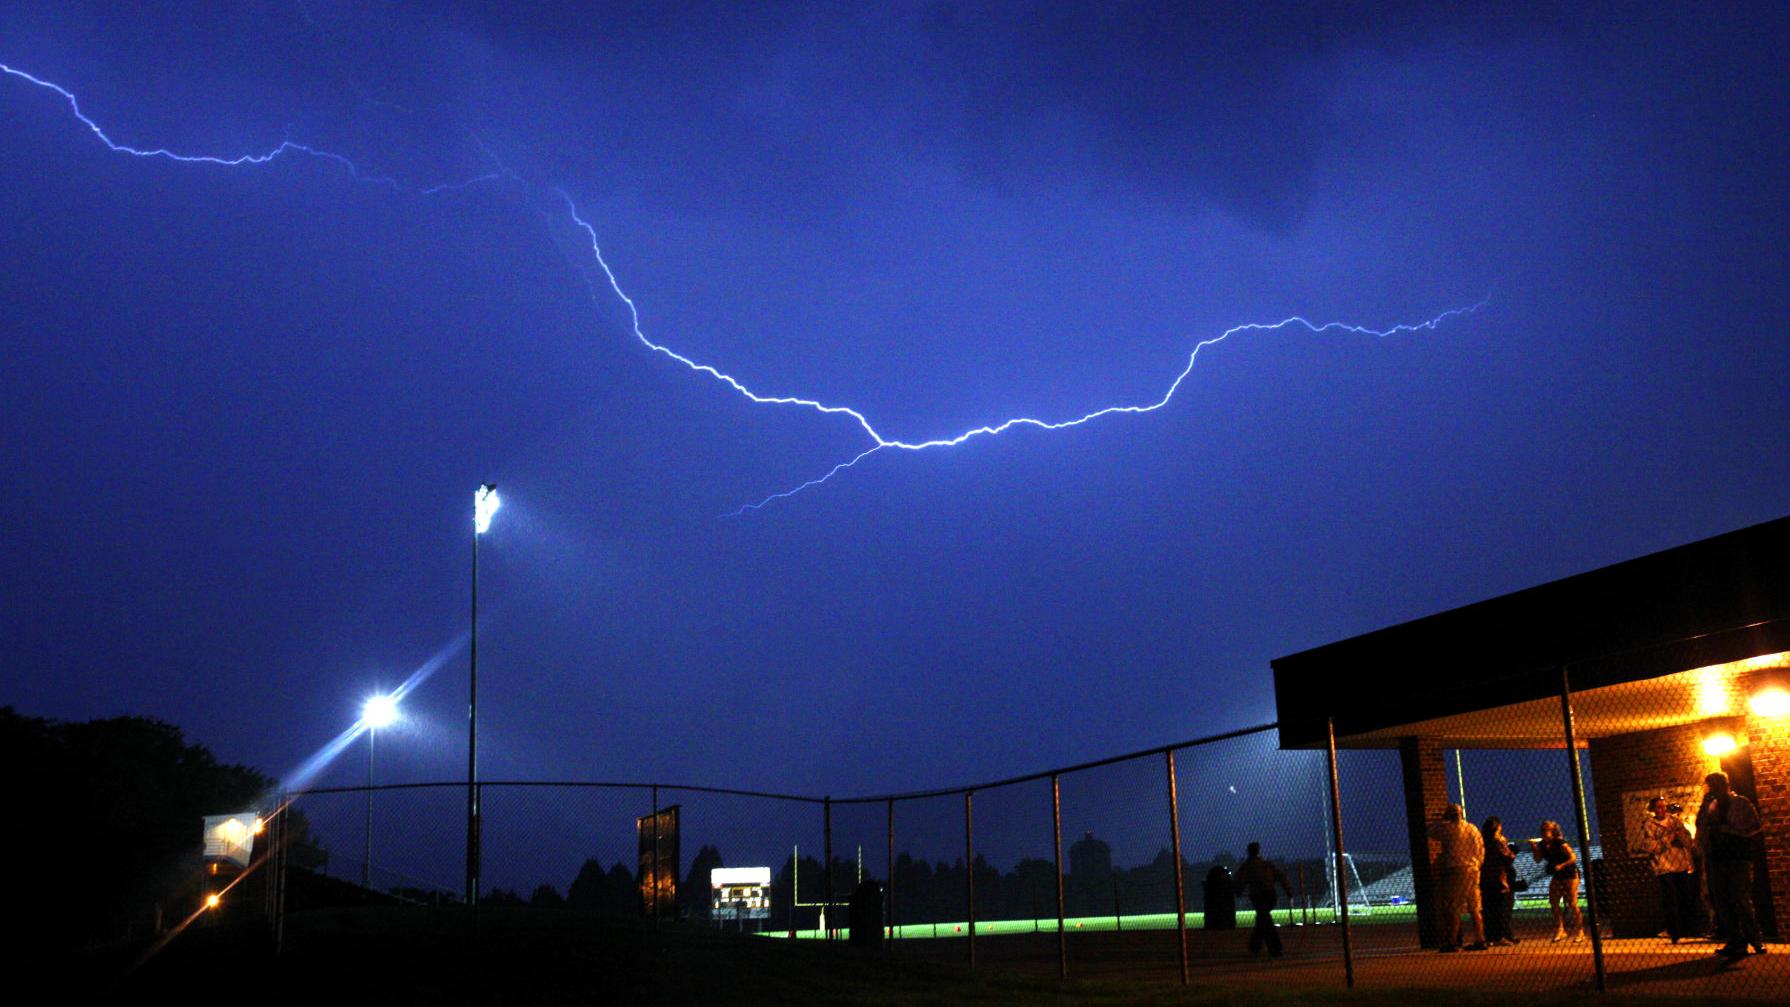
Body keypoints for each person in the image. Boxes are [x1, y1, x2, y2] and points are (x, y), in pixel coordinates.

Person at [1696, 771, 1766, 959]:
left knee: (1741, 900)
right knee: (1723, 902)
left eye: (1714, 786)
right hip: (1717, 859)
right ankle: (1736, 941)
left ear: (1725, 785)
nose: (1712, 790)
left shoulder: (1740, 803)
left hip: (1737, 857)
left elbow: (1755, 826)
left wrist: (1731, 830)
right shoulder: (1711, 805)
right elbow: (1701, 826)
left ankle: (1756, 940)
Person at [1638, 796, 1698, 943]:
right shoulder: (1649, 825)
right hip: (1664, 866)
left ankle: (1688, 929)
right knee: (1670, 900)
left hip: (1680, 864)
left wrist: (1681, 837)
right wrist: (1667, 839)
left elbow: (1687, 840)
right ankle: (1674, 931)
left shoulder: (1675, 821)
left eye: (1664, 806)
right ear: (1652, 810)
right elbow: (1650, 847)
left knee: (1685, 897)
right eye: (1658, 807)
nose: (1662, 809)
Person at [1427, 804, 1486, 951]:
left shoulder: (1448, 828)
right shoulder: (1473, 828)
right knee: (1475, 907)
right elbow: (1481, 850)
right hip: (1474, 868)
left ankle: (1452, 942)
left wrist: (1441, 819)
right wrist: (1477, 864)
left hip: (1458, 869)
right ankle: (1480, 939)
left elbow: (1430, 832)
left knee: (1455, 907)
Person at [1237, 841, 1292, 957]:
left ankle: (1271, 947)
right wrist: (1288, 891)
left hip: (1258, 896)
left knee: (1264, 919)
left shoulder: (1248, 865)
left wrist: (1239, 891)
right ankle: (1258, 946)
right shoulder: (1266, 864)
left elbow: (1241, 879)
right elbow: (1280, 876)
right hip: (1271, 895)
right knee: (1263, 919)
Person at [1531, 820, 1583, 942]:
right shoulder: (1543, 845)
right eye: (1542, 830)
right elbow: (1537, 859)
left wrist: (1562, 865)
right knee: (1553, 901)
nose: (1543, 832)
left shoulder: (1560, 842)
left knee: (1572, 903)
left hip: (1569, 873)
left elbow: (1573, 857)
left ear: (1552, 831)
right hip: (1557, 875)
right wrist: (1534, 848)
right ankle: (1560, 929)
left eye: (1546, 830)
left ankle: (1580, 931)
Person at [1480, 816, 1519, 946]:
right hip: (1499, 878)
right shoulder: (1497, 841)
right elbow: (1508, 858)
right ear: (1497, 827)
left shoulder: (1482, 841)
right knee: (1502, 908)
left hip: (1485, 877)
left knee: (1488, 908)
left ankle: (1491, 936)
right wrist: (1510, 849)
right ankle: (1501, 936)